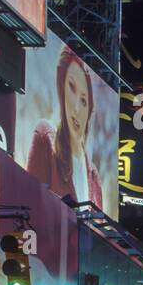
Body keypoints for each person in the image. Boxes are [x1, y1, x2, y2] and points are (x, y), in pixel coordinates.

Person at [25, 46, 103, 207]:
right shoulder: (44, 136)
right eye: (71, 88)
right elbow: (29, 207)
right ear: (62, 90)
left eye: (83, 100)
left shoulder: (94, 178)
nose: (76, 108)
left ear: (89, 109)